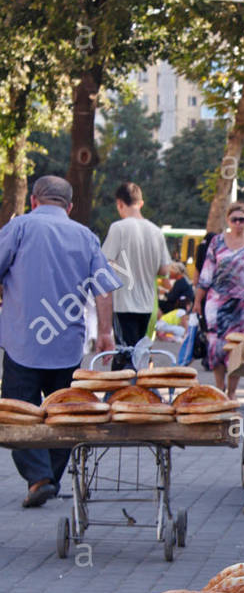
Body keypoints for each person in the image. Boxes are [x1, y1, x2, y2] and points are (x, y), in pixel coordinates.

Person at [0, 176, 120, 506]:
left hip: (22, 342)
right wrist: (106, 333)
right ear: (69, 207)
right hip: (67, 345)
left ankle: (40, 478)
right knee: (65, 413)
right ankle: (48, 478)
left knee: (17, 412)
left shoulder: (19, 227)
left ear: (34, 200)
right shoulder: (85, 236)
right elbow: (104, 289)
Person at [193, 201, 244, 399]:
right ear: (228, 220)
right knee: (216, 346)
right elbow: (206, 273)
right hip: (217, 301)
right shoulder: (217, 242)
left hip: (243, 305)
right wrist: (197, 301)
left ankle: (232, 391)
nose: (238, 223)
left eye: (242, 220)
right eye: (234, 219)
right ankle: (219, 388)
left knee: (237, 350)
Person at [101, 182, 169, 348]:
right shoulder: (156, 231)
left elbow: (104, 264)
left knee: (125, 353)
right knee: (140, 354)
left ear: (120, 203)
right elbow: (164, 270)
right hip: (147, 305)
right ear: (141, 203)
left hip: (123, 304)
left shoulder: (118, 228)